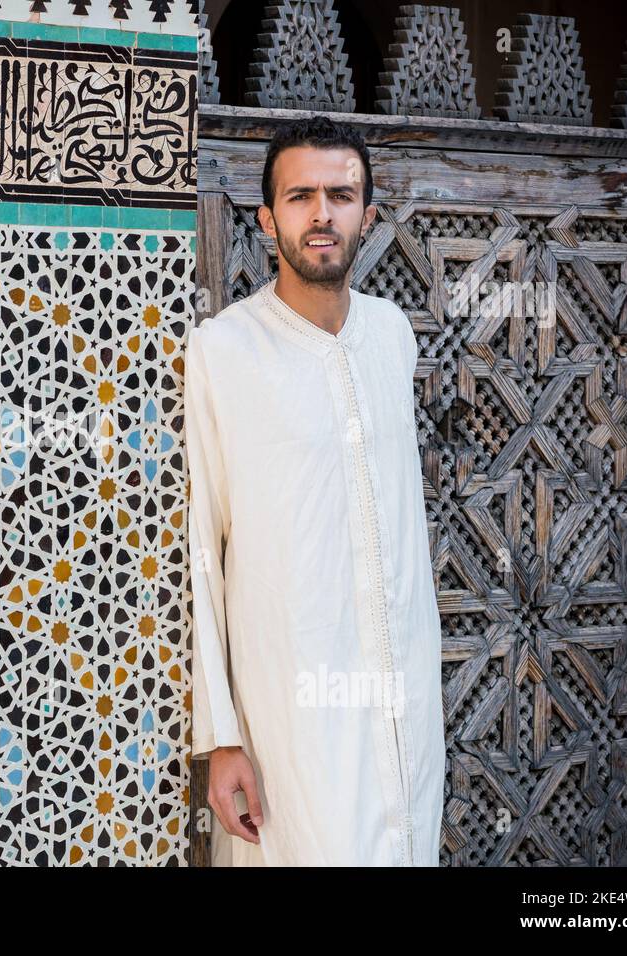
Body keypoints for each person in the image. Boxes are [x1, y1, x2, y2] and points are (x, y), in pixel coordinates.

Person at [185, 115, 446, 865]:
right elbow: (203, 549)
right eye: (300, 196)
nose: (322, 214)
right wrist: (222, 738)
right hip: (291, 721)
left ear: (368, 213)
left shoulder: (393, 335)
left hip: (404, 712)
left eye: (341, 194)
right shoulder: (224, 351)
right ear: (268, 219)